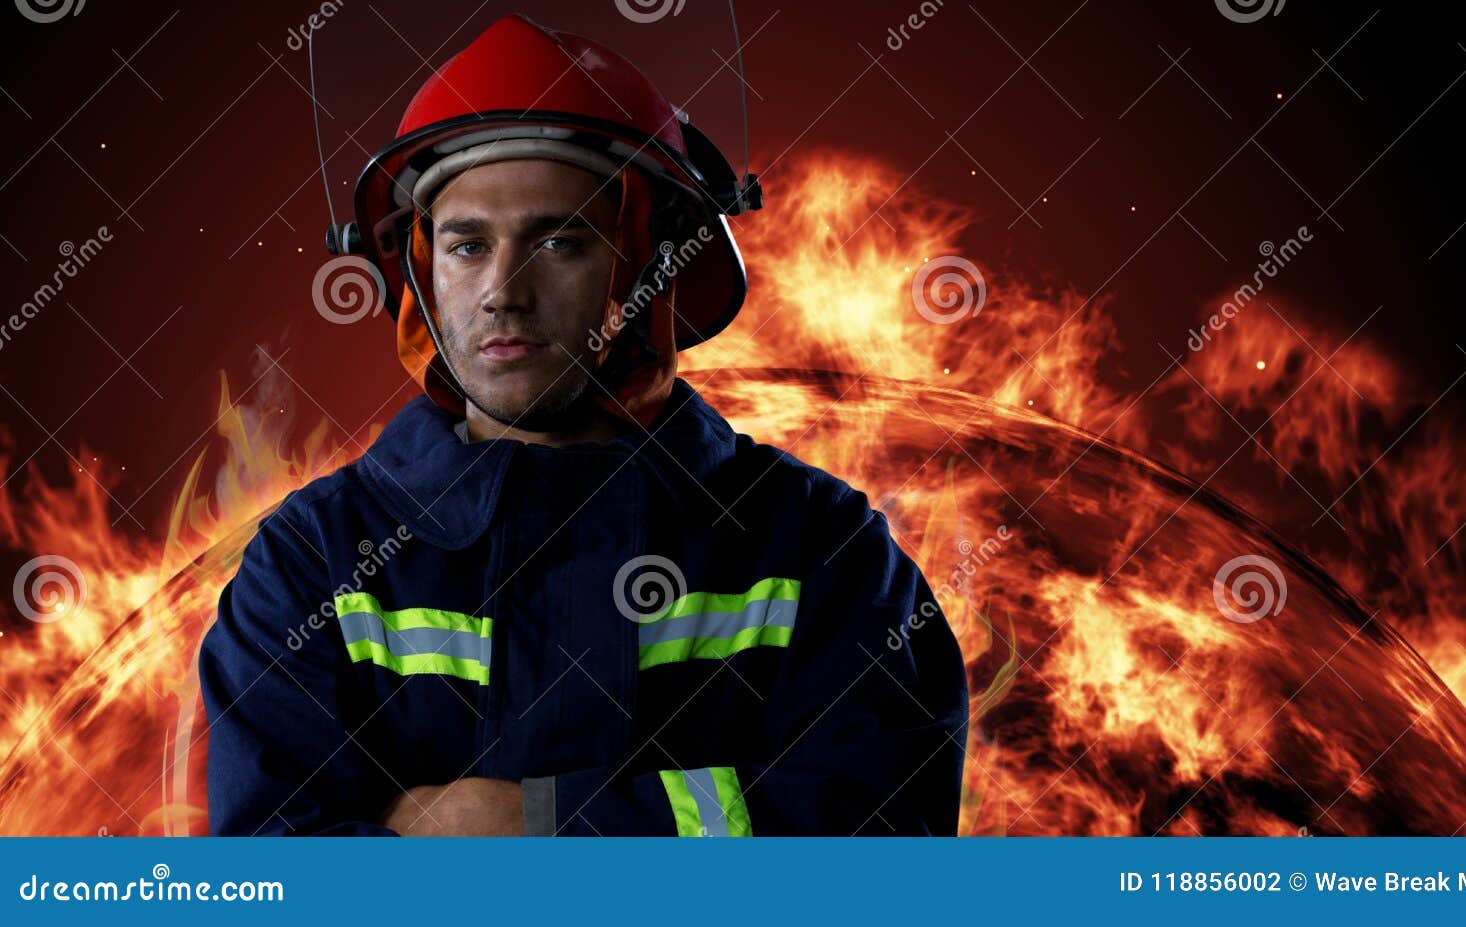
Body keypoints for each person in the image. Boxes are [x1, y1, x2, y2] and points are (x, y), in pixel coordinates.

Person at [198, 14, 967, 837]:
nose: (502, 290)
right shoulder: (313, 563)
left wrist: (541, 824)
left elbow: (882, 838)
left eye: (559, 241)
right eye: (465, 246)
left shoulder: (819, 549)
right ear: (420, 267)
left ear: (648, 264)